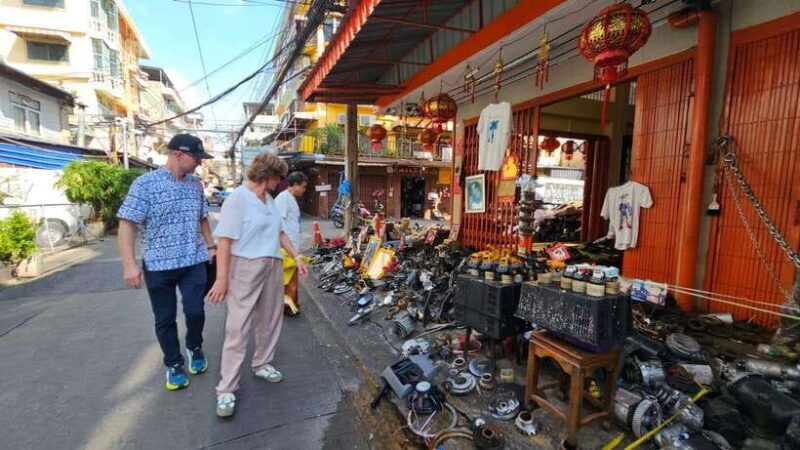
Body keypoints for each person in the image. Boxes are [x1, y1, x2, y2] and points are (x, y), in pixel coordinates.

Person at [206, 153, 308, 418]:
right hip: (245, 265)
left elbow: (280, 232)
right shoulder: (237, 199)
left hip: (272, 264)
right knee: (238, 327)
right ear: (268, 176)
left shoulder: (270, 200)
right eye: (278, 177)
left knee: (271, 319)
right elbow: (225, 242)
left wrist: (296, 256)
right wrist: (221, 279)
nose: (280, 183)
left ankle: (262, 362)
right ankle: (226, 388)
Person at [117, 134, 215, 391]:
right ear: (178, 154)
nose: (199, 164)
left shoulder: (195, 184)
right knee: (165, 318)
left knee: (195, 311)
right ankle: (173, 363)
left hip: (193, 260)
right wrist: (129, 264)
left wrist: (211, 246)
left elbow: (203, 217)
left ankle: (194, 346)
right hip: (158, 265)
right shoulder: (145, 184)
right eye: (196, 158)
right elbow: (127, 224)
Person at [274, 171, 308, 315]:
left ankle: (291, 305)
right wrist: (284, 245)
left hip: (292, 246)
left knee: (290, 278)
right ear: (294, 185)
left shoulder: (290, 198)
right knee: (290, 279)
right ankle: (289, 307)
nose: (304, 190)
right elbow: (278, 223)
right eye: (303, 187)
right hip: (287, 247)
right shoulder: (283, 198)